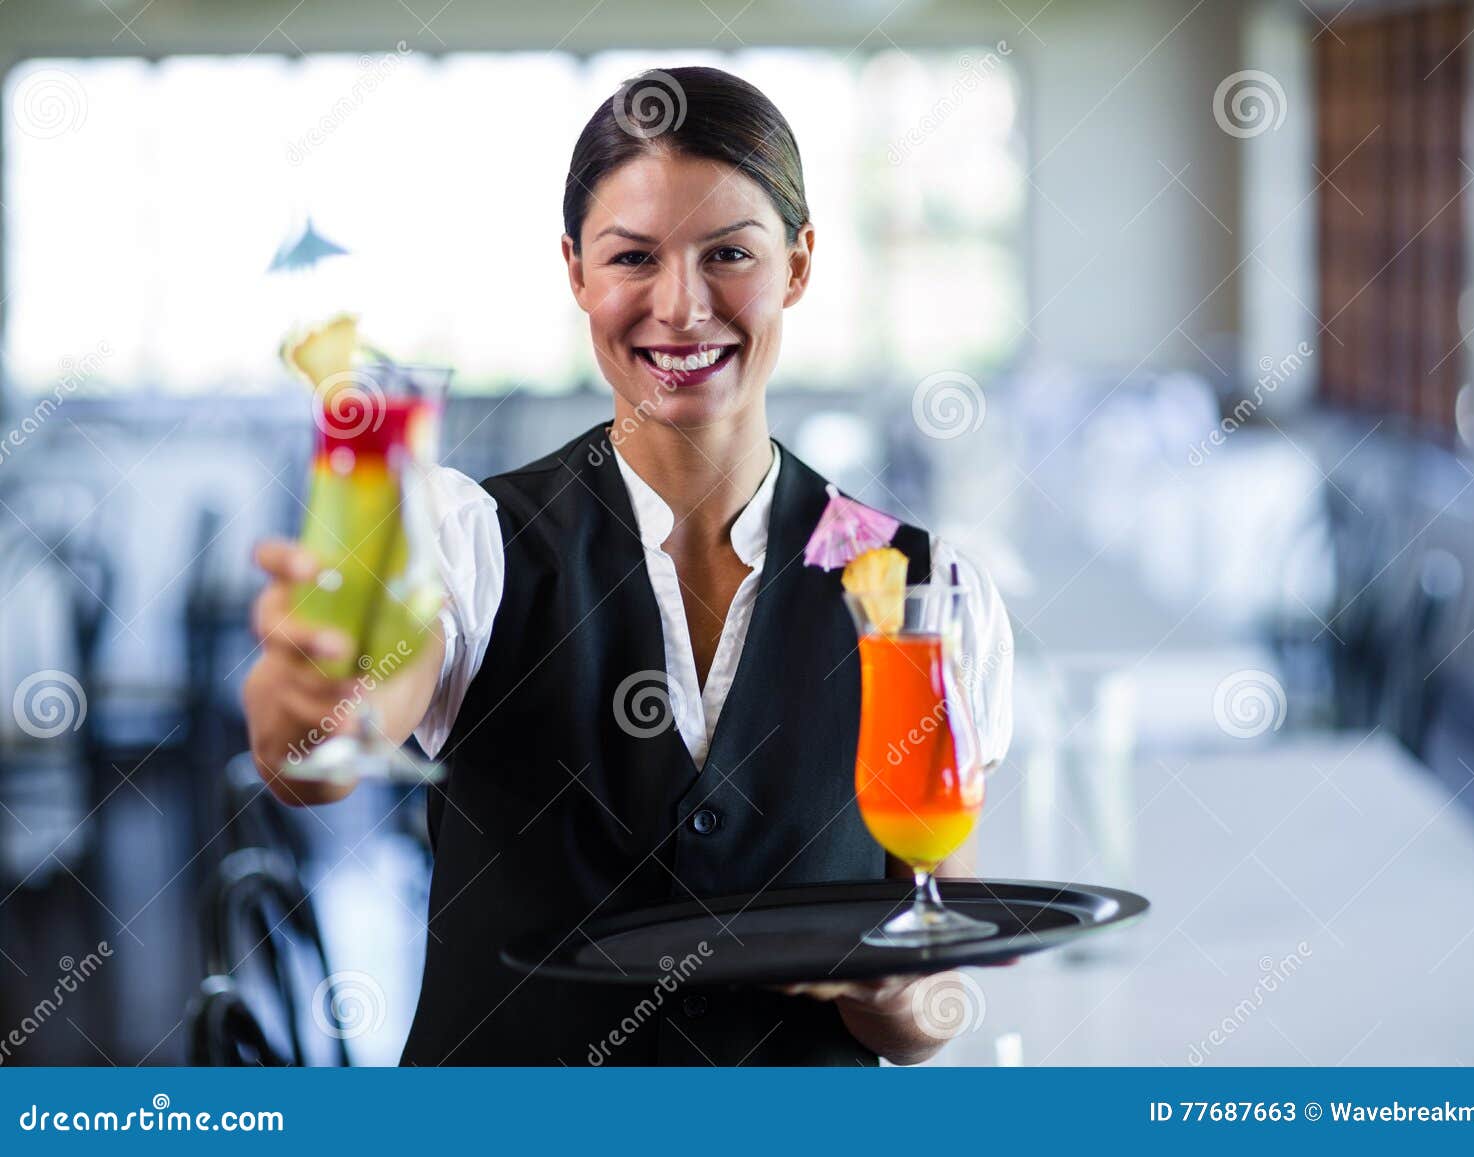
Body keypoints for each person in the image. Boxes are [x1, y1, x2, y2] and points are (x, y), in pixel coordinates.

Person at [243, 65, 1013, 1066]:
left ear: (797, 266)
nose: (681, 306)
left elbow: (933, 1001)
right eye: (632, 257)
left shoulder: (920, 589)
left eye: (729, 253)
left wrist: (900, 996)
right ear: (576, 273)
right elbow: (337, 740)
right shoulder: (473, 542)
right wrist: (309, 704)